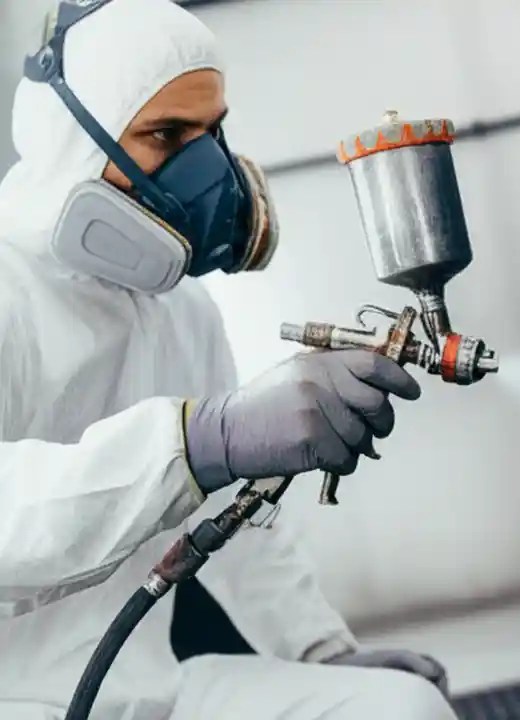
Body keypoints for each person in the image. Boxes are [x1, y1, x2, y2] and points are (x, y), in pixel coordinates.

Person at [0, 1, 455, 717]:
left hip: (152, 689)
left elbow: (238, 521)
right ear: (73, 145)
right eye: (167, 135)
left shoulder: (180, 309)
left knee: (400, 709)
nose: (207, 171)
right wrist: (196, 442)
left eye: (212, 132)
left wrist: (321, 651)